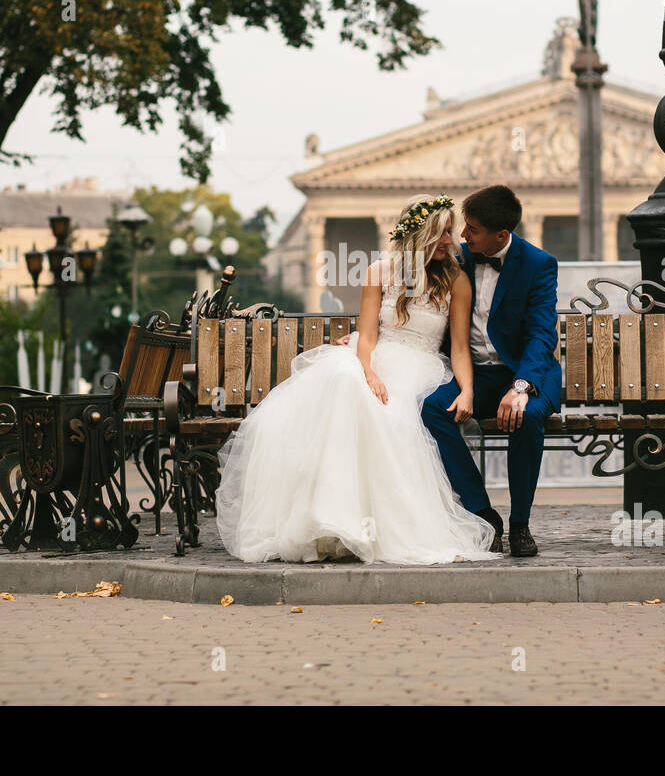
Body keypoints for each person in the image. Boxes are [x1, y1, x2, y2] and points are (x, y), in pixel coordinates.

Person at [213, 194, 498, 565]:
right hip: (376, 357)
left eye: (450, 233)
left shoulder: (455, 281)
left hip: (421, 366)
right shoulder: (379, 272)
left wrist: (468, 391)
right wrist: (369, 371)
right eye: (442, 233)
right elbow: (366, 335)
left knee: (393, 416)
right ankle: (331, 523)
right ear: (419, 235)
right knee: (347, 384)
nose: (450, 241)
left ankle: (375, 528)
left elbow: (459, 347)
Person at [421, 186, 561, 557]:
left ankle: (520, 524)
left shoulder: (539, 264)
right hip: (477, 375)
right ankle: (483, 514)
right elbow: (409, 300)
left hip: (526, 372)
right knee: (434, 408)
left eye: (472, 230)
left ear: (501, 235)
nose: (463, 236)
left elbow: (542, 334)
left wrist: (521, 386)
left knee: (526, 416)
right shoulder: (457, 259)